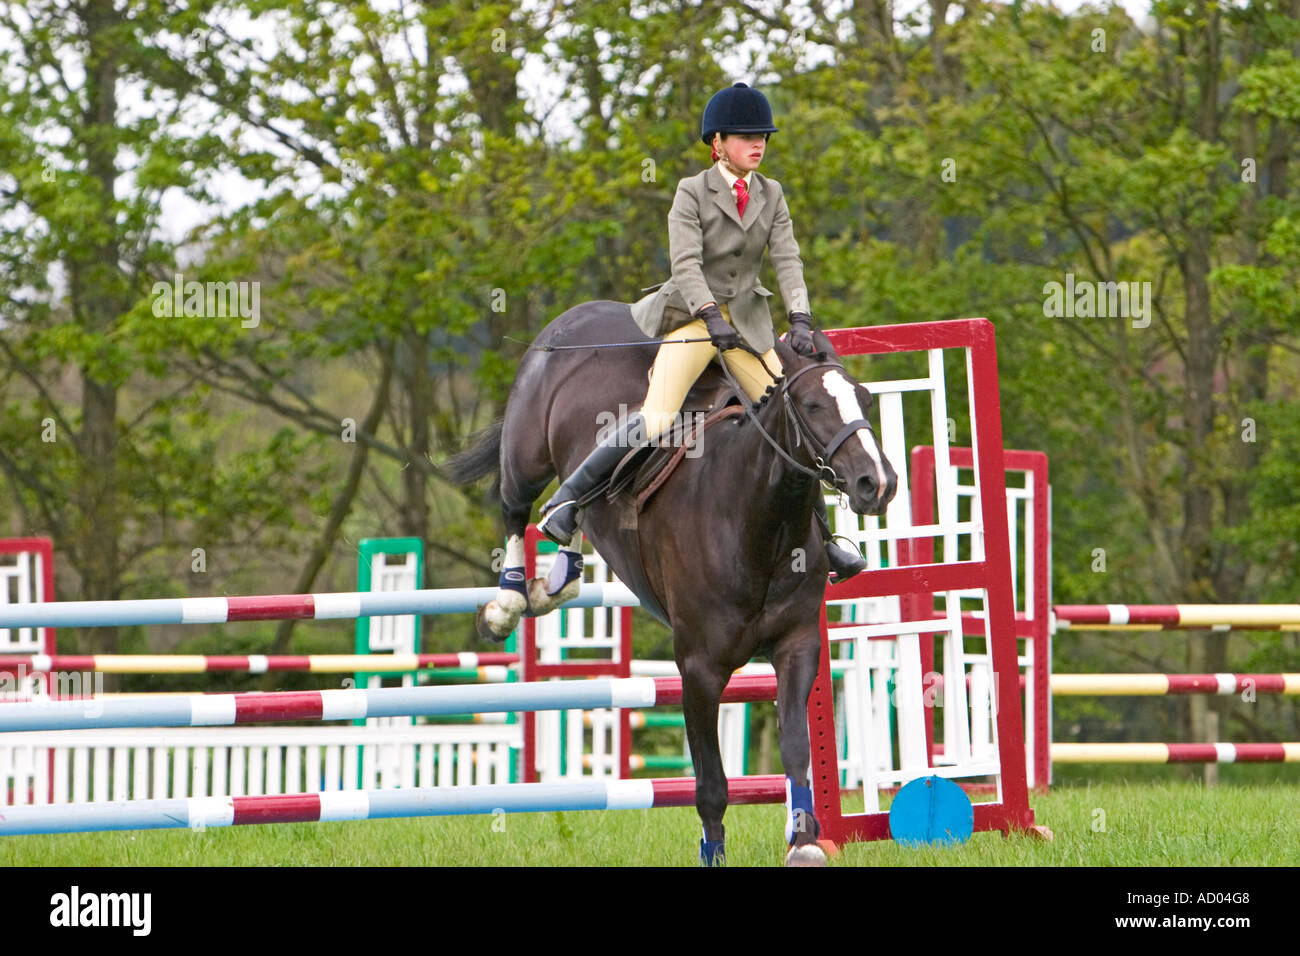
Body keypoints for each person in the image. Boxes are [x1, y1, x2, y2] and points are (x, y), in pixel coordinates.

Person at [536, 81, 867, 583]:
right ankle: (567, 502)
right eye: (746, 136)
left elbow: (787, 259)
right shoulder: (691, 192)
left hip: (748, 325)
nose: (758, 144)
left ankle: (827, 542)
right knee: (658, 414)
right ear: (718, 143)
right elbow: (686, 265)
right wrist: (711, 315)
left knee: (794, 418)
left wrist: (800, 317)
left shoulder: (772, 194)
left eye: (763, 136)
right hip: (694, 319)